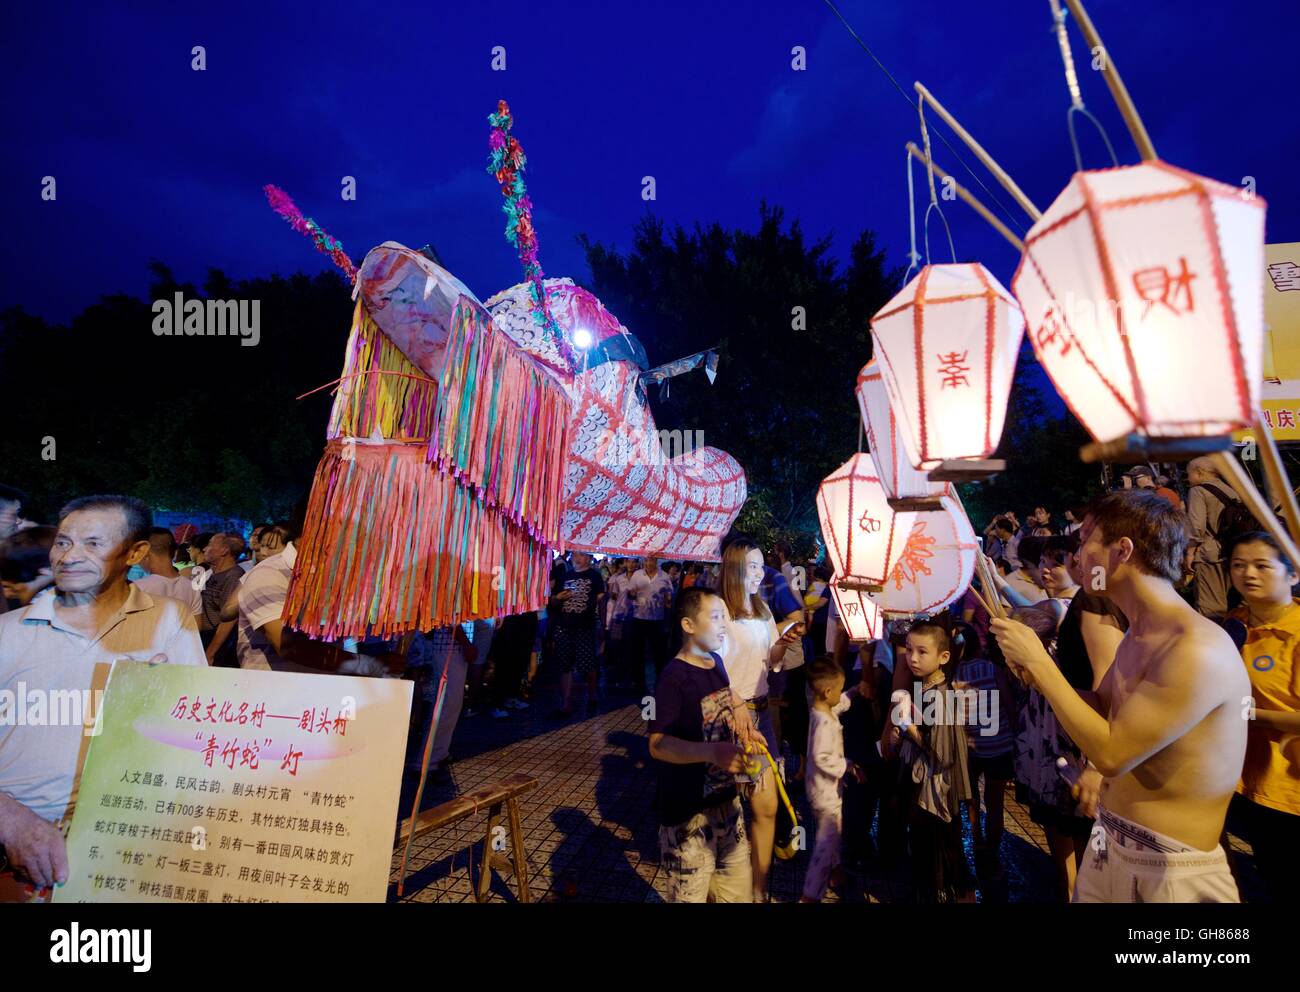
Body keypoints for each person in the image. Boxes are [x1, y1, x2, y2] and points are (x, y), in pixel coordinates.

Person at [991, 491, 1250, 902]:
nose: (1076, 556)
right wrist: (1036, 676)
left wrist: (1040, 663)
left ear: (1122, 550)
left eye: (1086, 539)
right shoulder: (1139, 635)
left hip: (1170, 868)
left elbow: (1113, 753)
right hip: (1110, 840)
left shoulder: (1194, 647)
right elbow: (1103, 706)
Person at [0, 494, 206, 895]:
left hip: (116, 844)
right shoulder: (8, 632)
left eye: (93, 543)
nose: (69, 556)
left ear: (136, 552)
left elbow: (192, 729)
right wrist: (11, 820)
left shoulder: (169, 619)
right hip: (15, 857)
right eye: (63, 542)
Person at [648, 587, 755, 902]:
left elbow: (724, 695)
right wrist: (710, 752)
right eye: (716, 617)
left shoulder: (715, 662)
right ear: (688, 625)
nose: (724, 625)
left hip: (727, 807)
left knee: (736, 895)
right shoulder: (673, 679)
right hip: (688, 818)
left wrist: (741, 709)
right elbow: (657, 743)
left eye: (726, 617)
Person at [717, 538, 800, 901]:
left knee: (766, 806)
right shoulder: (718, 609)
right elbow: (711, 666)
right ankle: (725, 887)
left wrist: (784, 639)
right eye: (752, 565)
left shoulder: (763, 608)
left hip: (762, 714)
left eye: (761, 565)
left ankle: (760, 888)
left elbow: (772, 658)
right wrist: (733, 703)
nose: (760, 572)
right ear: (734, 568)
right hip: (728, 717)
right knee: (728, 812)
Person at [1224, 531, 1300, 902]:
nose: (1248, 573)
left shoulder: (1297, 632)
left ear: (1293, 574)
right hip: (1247, 783)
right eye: (1238, 565)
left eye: (1262, 566)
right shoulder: (1233, 626)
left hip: (1290, 787)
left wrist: (1247, 714)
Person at [886, 620, 975, 902]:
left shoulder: (941, 695)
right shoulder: (924, 688)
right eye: (909, 650)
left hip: (938, 794)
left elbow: (941, 753)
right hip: (926, 788)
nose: (913, 658)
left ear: (943, 657)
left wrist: (906, 726)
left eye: (922, 652)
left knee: (943, 854)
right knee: (936, 852)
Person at [800, 656, 865, 902]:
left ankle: (837, 874)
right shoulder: (824, 723)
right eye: (838, 690)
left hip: (819, 789)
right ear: (827, 691)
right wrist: (847, 765)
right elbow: (821, 756)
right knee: (825, 844)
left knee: (832, 834)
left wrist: (853, 692)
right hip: (826, 793)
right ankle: (810, 894)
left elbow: (837, 706)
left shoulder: (820, 709)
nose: (840, 695)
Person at [953, 622, 1015, 879]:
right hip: (999, 744)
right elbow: (1009, 705)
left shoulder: (953, 675)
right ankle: (992, 851)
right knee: (995, 802)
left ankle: (977, 838)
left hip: (969, 745)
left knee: (971, 799)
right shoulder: (992, 668)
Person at [406, 625, 476, 783]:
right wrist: (466, 644)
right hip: (449, 649)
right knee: (445, 707)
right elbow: (452, 621)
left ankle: (439, 754)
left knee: (451, 706)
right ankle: (425, 763)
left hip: (453, 648)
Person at [1186, 455, 1243, 619]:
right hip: (1231, 551)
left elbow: (1196, 526)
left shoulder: (1198, 491)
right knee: (1233, 604)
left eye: (1189, 474)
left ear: (1200, 472)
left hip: (1208, 554)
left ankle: (1213, 640)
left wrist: (1190, 553)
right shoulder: (1230, 490)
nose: (1188, 478)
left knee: (1210, 606)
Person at [552, 550, 606, 718]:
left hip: (586, 626)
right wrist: (558, 598)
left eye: (581, 555)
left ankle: (592, 694)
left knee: (588, 663)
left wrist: (603, 625)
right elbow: (553, 600)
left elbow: (602, 601)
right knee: (564, 665)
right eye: (575, 555)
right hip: (564, 626)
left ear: (589, 558)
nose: (577, 558)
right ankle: (566, 703)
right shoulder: (565, 576)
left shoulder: (595, 576)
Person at [196, 532, 246, 665]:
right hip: (204, 638)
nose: (205, 549)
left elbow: (229, 619)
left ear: (224, 551)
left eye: (210, 545)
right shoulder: (211, 573)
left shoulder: (233, 576)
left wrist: (210, 652)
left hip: (217, 644)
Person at [625, 555, 674, 692]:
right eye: (646, 560)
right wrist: (632, 593)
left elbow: (669, 598)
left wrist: (667, 612)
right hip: (639, 618)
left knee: (659, 652)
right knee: (637, 651)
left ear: (656, 561)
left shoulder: (664, 576)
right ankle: (638, 681)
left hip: (657, 619)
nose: (648, 563)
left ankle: (661, 679)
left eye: (651, 560)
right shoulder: (637, 575)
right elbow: (629, 594)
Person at [130, 526, 202, 616]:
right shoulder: (192, 588)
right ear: (174, 552)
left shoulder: (137, 588)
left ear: (145, 553)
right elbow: (197, 627)